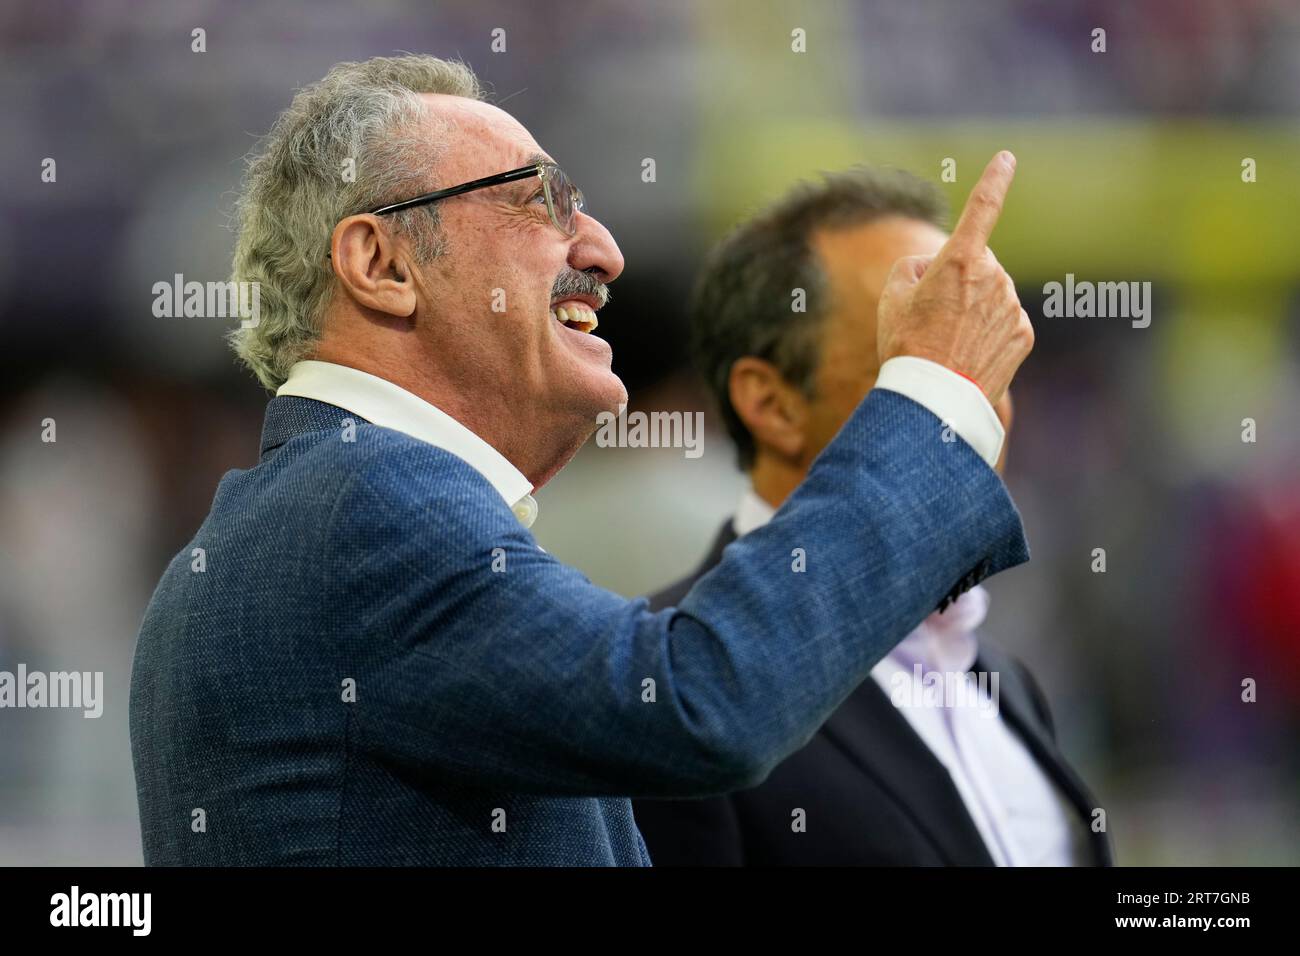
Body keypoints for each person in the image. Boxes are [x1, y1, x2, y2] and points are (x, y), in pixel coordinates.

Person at [128, 55, 1034, 865]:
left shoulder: (301, 516)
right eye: (539, 200)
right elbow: (699, 701)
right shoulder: (365, 503)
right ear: (381, 264)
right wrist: (933, 398)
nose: (604, 250)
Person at [632, 168, 1112, 866]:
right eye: (931, 365)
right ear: (773, 404)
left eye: (991, 366)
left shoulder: (1005, 681)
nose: (983, 412)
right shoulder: (671, 690)